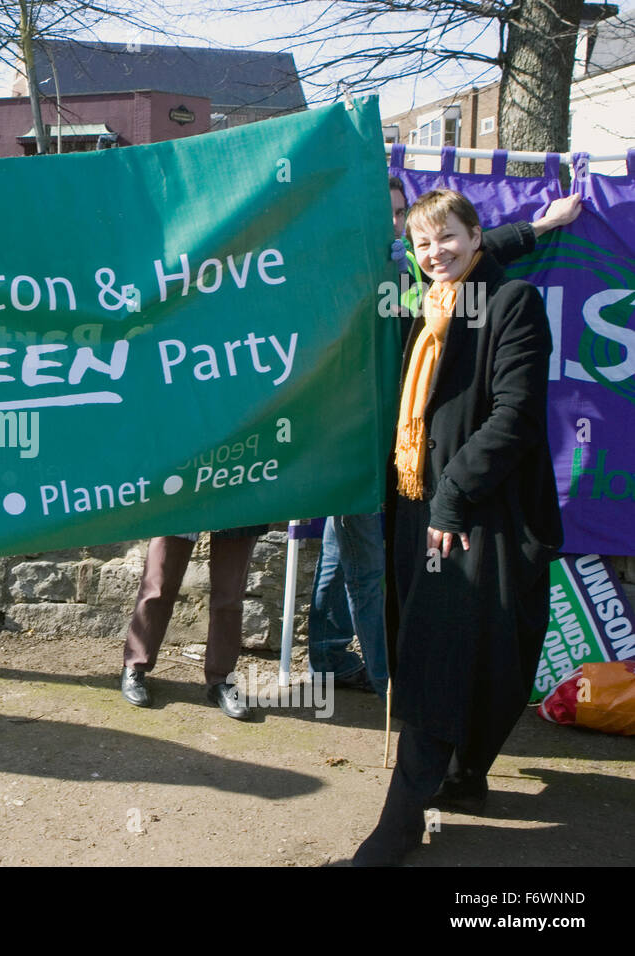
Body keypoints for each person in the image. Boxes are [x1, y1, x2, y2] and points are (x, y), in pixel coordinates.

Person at [308, 182, 581, 703]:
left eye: (395, 213)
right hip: (361, 451)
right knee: (343, 559)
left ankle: (392, 683)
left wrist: (541, 226)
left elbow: (475, 251)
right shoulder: (353, 269)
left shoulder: (427, 278)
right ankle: (337, 660)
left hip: (417, 469)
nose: (394, 228)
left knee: (374, 570)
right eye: (384, 216)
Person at [353, 188, 563, 866]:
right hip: (419, 508)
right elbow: (462, 256)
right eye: (422, 243)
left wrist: (452, 500)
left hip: (475, 517)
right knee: (439, 649)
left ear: (476, 235)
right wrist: (531, 228)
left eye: (449, 238)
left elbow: (516, 417)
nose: (435, 252)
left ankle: (399, 824)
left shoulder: (511, 303)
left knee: (440, 659)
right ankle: (464, 775)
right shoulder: (427, 303)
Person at [120, 525, 268, 720]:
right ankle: (135, 665)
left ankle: (221, 680)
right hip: (182, 498)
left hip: (239, 499)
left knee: (229, 598)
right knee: (158, 586)